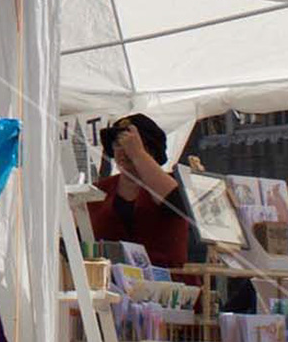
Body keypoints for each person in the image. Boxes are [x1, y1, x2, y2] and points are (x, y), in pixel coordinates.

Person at [85, 113, 201, 271]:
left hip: (167, 282)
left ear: (151, 150)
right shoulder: (100, 189)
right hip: (111, 282)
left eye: (131, 144)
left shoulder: (172, 183)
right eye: (118, 144)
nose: (124, 151)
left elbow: (179, 203)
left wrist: (137, 154)